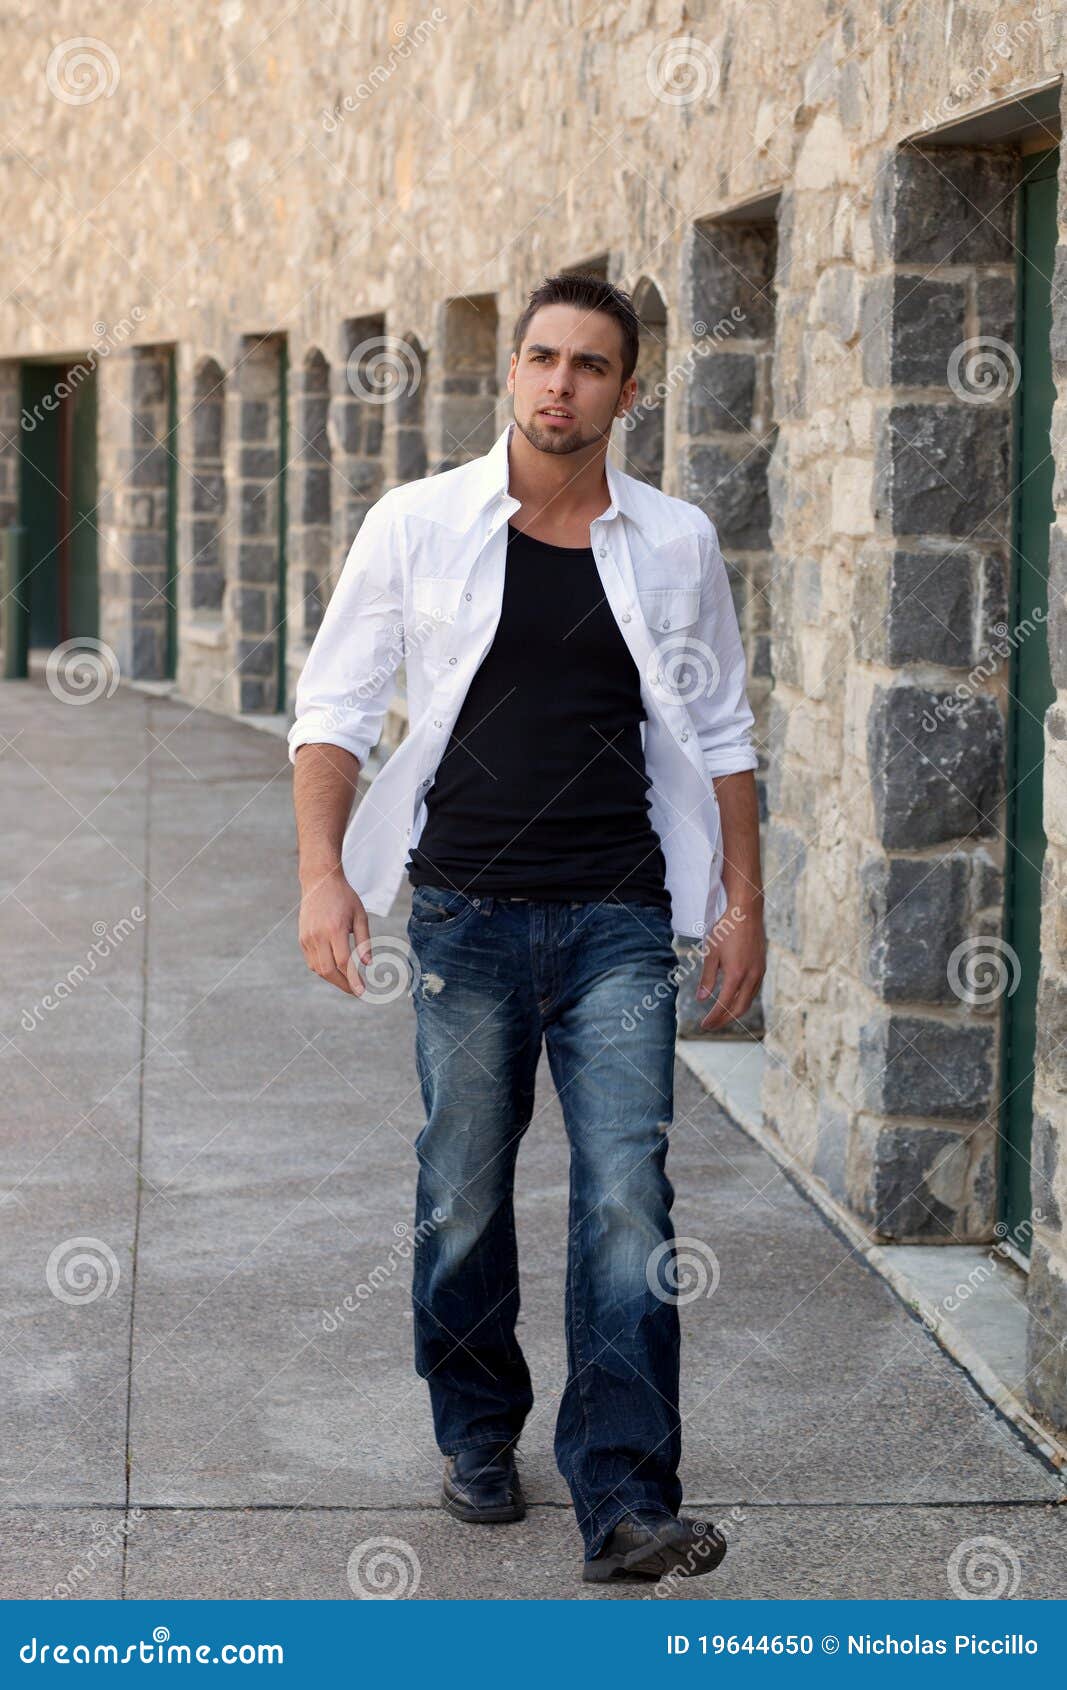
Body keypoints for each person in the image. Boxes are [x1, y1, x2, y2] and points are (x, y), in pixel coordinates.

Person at [290, 272, 765, 1583]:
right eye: (543, 358)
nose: (562, 383)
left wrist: (743, 903)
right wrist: (325, 875)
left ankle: (623, 1490)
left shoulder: (674, 542)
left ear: (627, 389)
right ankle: (480, 1429)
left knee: (628, 1195)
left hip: (620, 914)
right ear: (512, 371)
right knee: (459, 1192)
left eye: (591, 366)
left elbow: (723, 730)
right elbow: (333, 706)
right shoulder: (420, 523)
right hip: (466, 915)